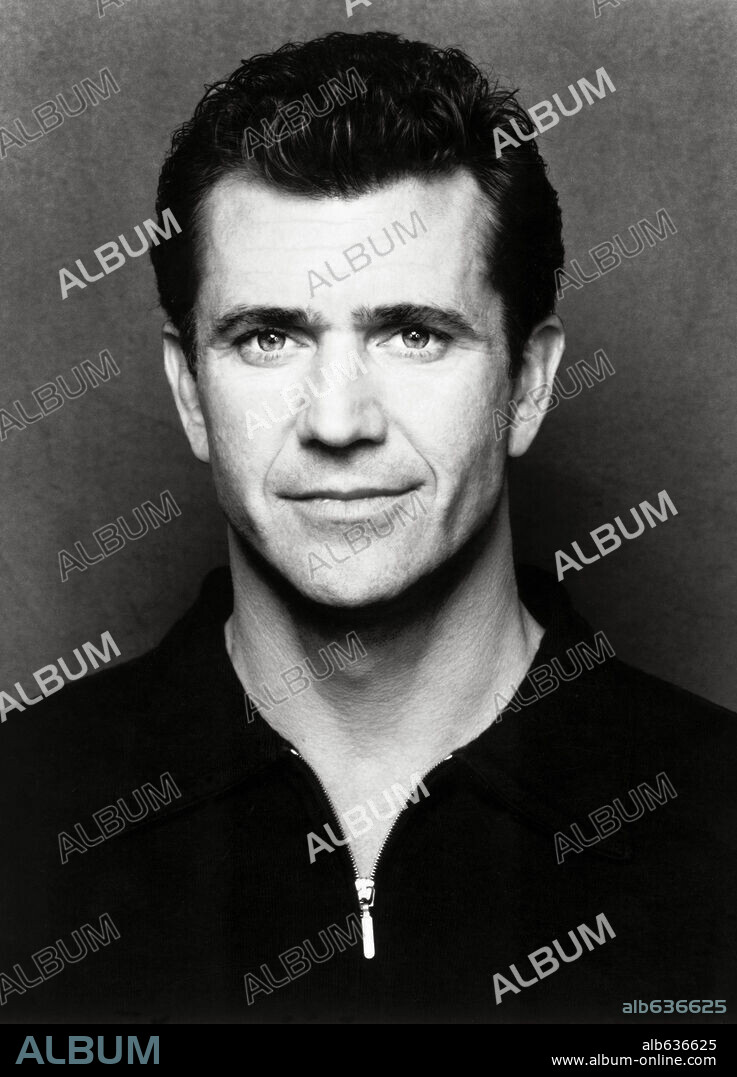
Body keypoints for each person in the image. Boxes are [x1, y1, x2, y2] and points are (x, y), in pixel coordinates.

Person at [1, 30, 733, 1025]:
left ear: (527, 385)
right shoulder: (25, 813)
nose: (338, 421)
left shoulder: (710, 816)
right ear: (189, 393)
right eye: (267, 337)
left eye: (413, 334)